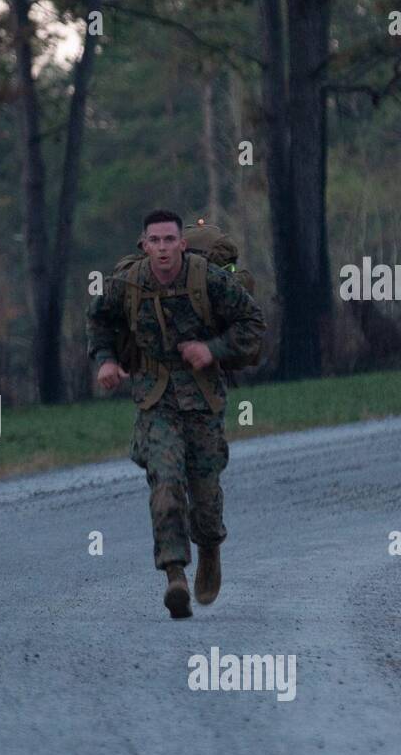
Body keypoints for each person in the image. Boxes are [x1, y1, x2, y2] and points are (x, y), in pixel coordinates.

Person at [86, 209, 266, 619]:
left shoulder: (209, 279)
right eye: (155, 241)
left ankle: (210, 547)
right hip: (155, 399)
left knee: (204, 497)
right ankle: (174, 577)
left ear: (182, 244)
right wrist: (106, 361)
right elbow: (98, 320)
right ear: (144, 245)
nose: (163, 249)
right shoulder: (127, 284)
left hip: (203, 399)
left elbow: (253, 321)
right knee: (165, 486)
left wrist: (213, 350)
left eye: (170, 240)